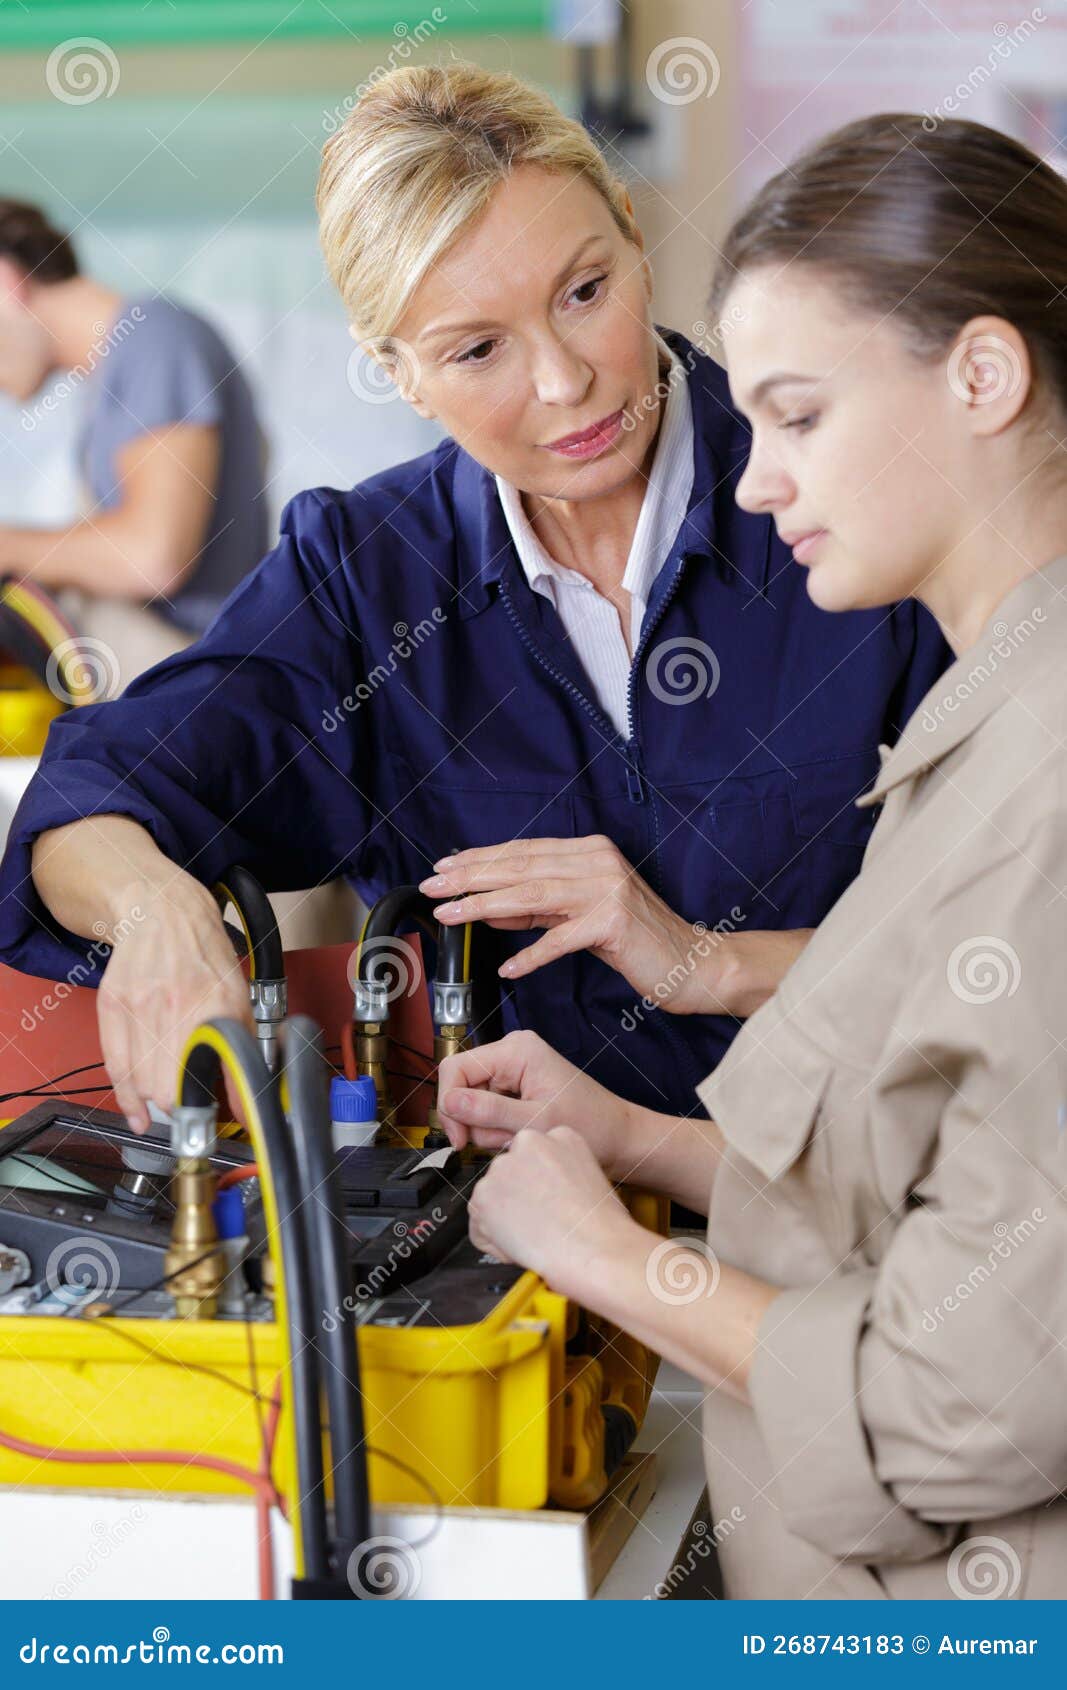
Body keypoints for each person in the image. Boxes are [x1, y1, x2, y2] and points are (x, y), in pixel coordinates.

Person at [0, 67, 945, 1134]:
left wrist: (708, 962)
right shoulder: (367, 577)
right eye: (478, 350)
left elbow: (1009, 944)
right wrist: (156, 906)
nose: (562, 382)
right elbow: (93, 795)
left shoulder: (853, 491)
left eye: (584, 292)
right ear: (397, 371)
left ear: (634, 237)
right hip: (522, 1243)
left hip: (888, 1214)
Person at [438, 113, 1067, 1601]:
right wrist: (634, 1144)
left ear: (981, 374)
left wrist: (606, 1258)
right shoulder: (971, 739)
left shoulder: (1043, 791)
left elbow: (957, 1399)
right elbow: (925, 1206)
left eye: (792, 415)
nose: (753, 479)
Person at [0, 198, 267, 682]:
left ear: (6, 281)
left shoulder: (155, 340)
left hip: (201, 700)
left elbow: (154, 555)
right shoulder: (109, 382)